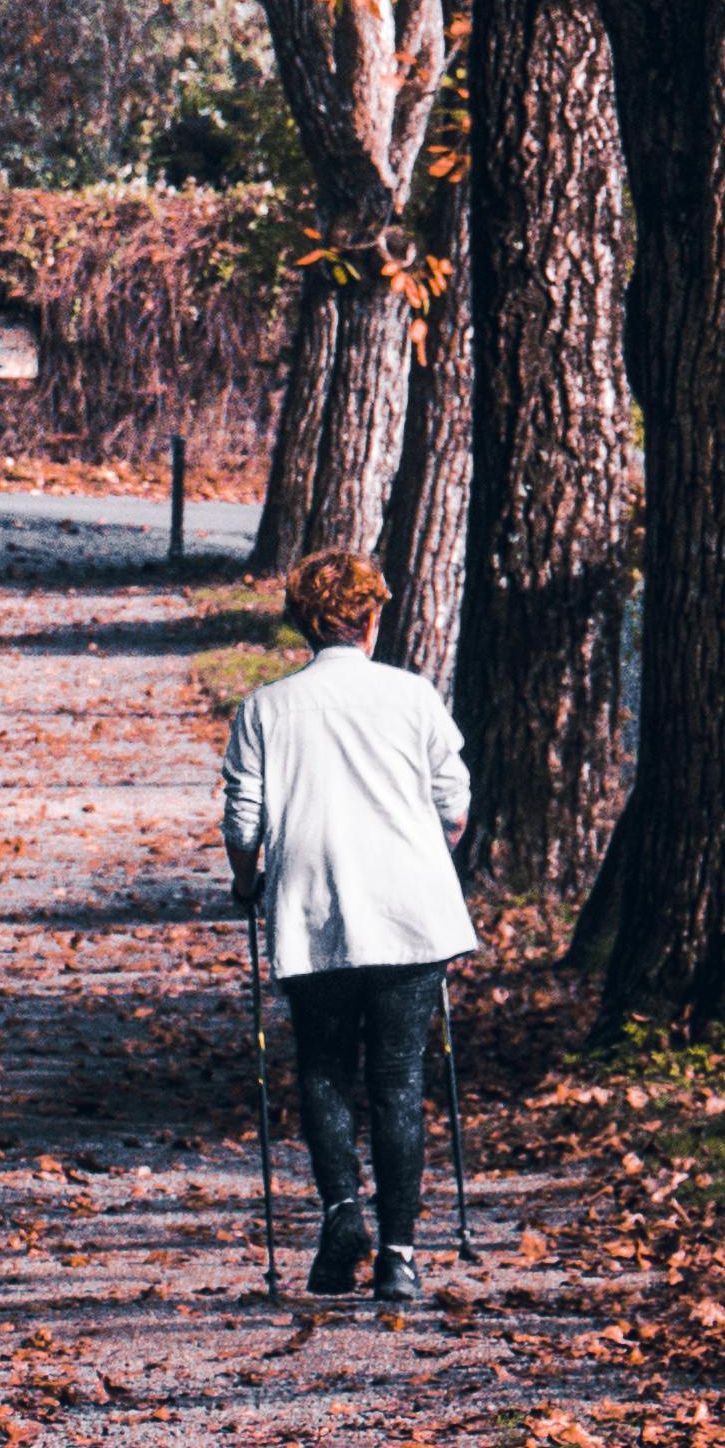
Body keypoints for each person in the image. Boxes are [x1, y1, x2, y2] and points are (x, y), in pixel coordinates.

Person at [220, 539, 474, 1300]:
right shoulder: (412, 696)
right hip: (408, 914)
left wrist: (247, 881)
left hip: (312, 907)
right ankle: (398, 1256)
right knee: (398, 1080)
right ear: (370, 620)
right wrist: (433, 852)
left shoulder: (265, 707)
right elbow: (452, 805)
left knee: (323, 1069)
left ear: (302, 623)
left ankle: (340, 1215)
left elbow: (242, 820)